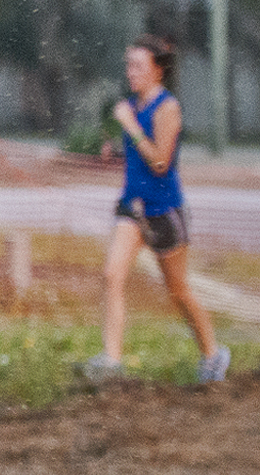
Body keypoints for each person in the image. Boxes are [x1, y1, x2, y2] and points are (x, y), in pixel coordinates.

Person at [83, 36, 230, 384]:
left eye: (137, 65)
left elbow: (161, 162)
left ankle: (212, 354)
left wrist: (130, 127)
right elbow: (139, 156)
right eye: (127, 65)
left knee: (177, 291)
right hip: (132, 208)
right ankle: (112, 361)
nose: (130, 72)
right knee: (111, 275)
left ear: (158, 71)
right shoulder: (132, 105)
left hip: (165, 212)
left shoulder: (168, 108)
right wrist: (116, 150)